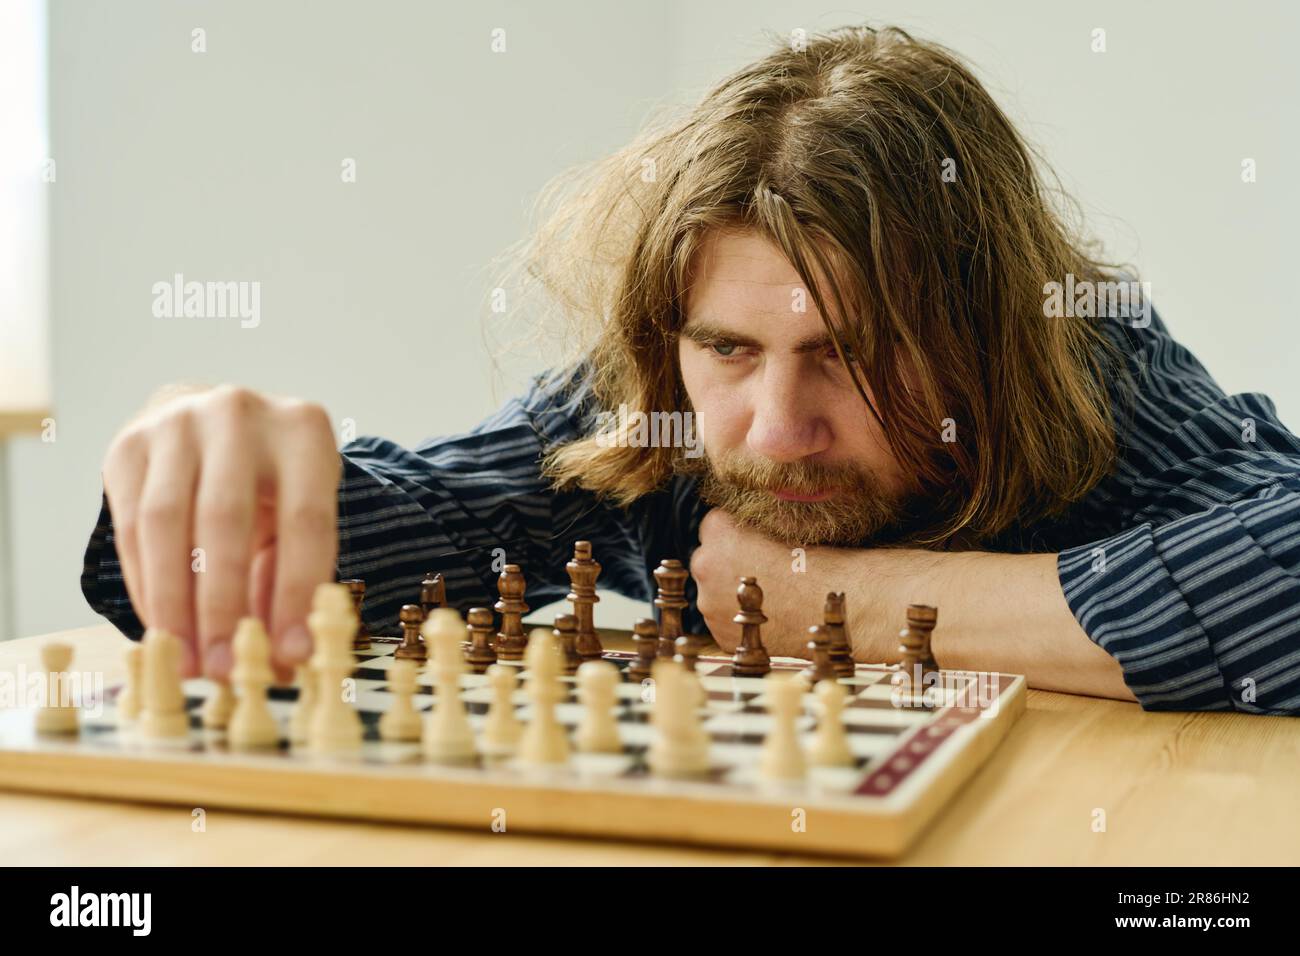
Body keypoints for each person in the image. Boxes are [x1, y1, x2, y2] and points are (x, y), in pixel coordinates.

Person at [81, 25, 1300, 714]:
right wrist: (212, 487)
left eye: (855, 355)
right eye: (728, 346)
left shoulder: (1090, 374)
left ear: (982, 341)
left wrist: (833, 595)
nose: (773, 431)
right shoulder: (651, 419)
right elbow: (376, 540)